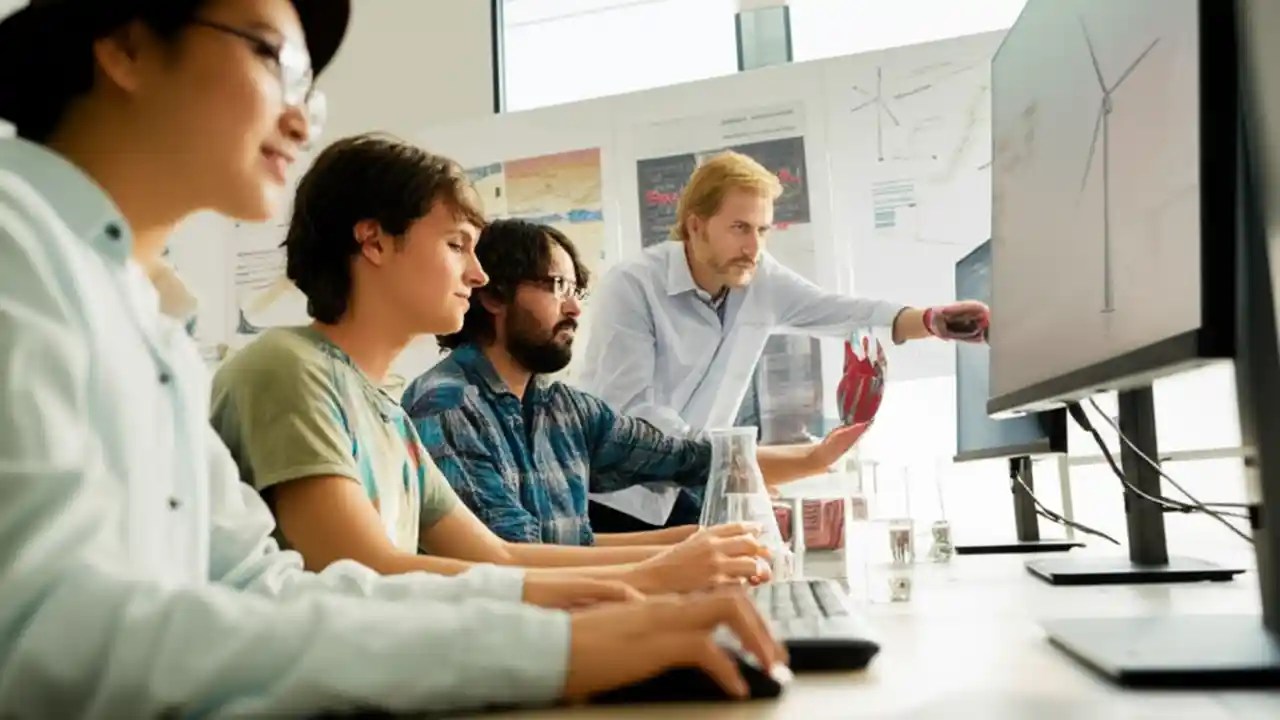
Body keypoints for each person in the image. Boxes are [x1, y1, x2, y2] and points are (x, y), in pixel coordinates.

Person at [0, 1, 783, 715]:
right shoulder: (18, 256)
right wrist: (561, 642)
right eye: (277, 61)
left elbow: (262, 586)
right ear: (128, 45)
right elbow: (53, 641)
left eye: (310, 88)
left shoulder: (146, 319)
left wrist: (601, 611)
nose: (301, 121)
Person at [210, 133, 772, 595]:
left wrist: (676, 557)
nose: (478, 276)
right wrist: (647, 577)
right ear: (374, 243)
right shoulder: (289, 371)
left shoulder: (385, 407)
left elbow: (497, 556)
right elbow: (364, 575)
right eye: (457, 246)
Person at [577, 150, 991, 530]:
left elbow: (837, 310)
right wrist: (742, 465)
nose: (754, 246)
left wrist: (927, 321)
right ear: (695, 226)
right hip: (613, 496)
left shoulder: (760, 278)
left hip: (689, 488)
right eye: (740, 228)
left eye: (763, 230)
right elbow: (632, 416)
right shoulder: (632, 286)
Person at [402, 218, 870, 546]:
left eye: (576, 291)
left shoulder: (564, 409)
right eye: (557, 287)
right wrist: (684, 549)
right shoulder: (444, 403)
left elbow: (687, 459)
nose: (574, 309)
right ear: (495, 295)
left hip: (575, 625)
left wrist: (817, 456)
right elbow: (516, 559)